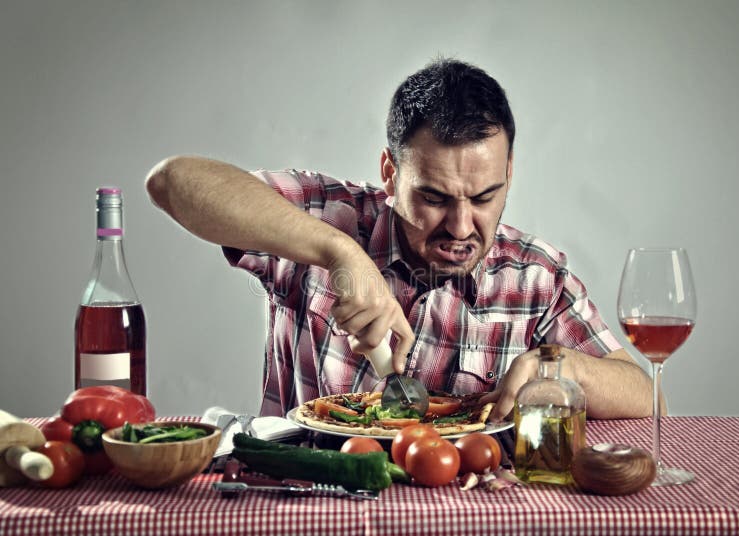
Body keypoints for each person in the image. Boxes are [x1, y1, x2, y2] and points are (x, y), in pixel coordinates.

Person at [146, 58, 652, 422]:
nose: (460, 227)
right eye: (433, 197)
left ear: (509, 172)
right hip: (306, 503)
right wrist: (339, 253)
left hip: (471, 514)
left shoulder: (535, 276)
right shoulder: (328, 216)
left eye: (483, 197)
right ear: (390, 173)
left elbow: (648, 398)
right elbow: (171, 181)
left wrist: (553, 363)